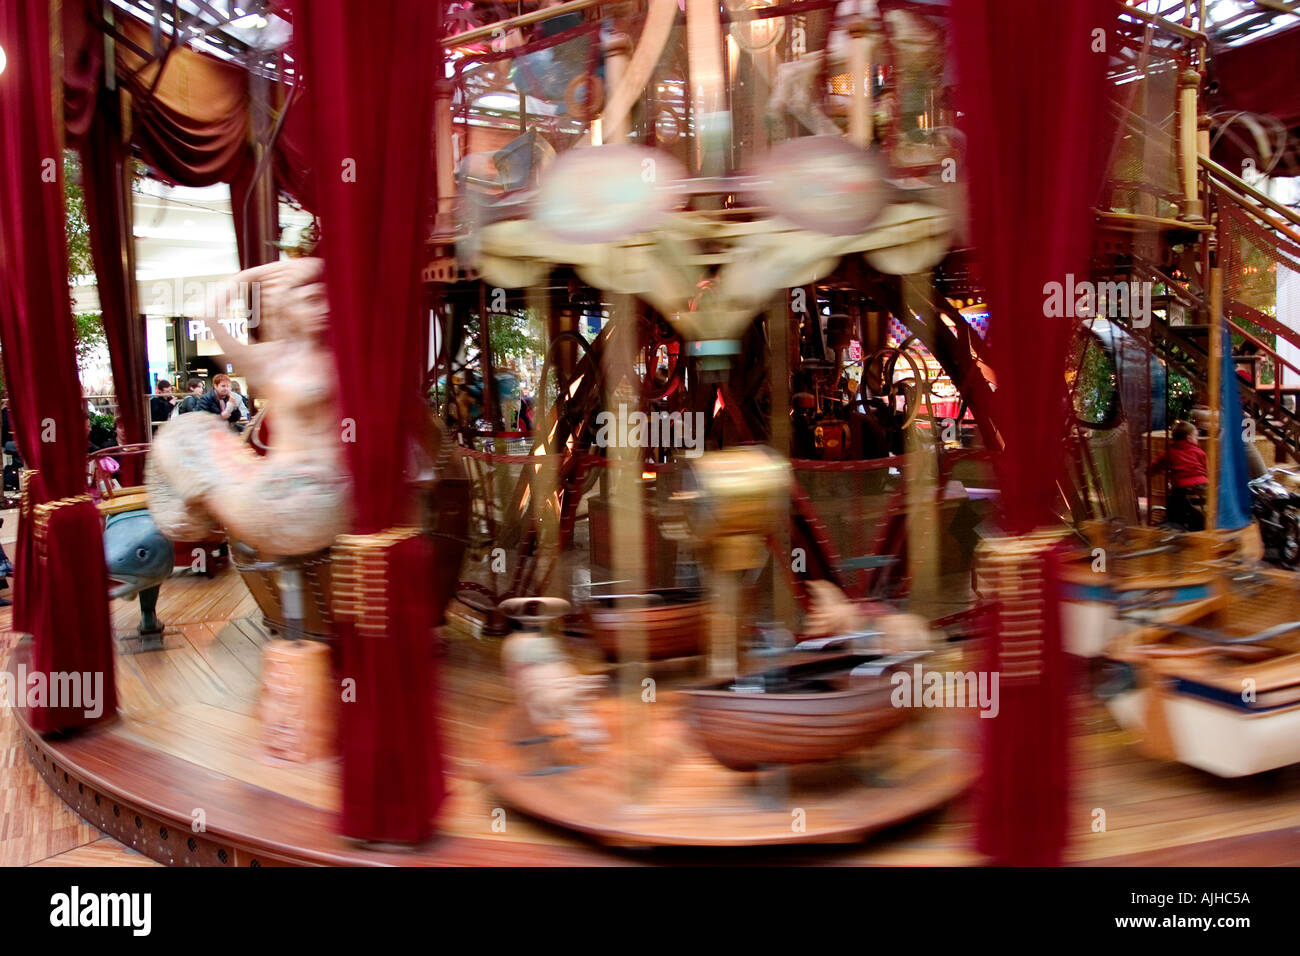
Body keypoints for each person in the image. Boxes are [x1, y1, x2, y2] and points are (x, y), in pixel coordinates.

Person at [1151, 420, 1209, 531]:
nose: (1197, 439)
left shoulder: (1170, 452)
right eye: (1196, 437)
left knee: (1174, 506)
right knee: (1198, 510)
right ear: (1189, 438)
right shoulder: (1200, 452)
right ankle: (1199, 526)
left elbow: (1157, 464)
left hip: (1182, 487)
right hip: (1202, 485)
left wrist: (1150, 471)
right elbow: (1206, 469)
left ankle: (1175, 523)